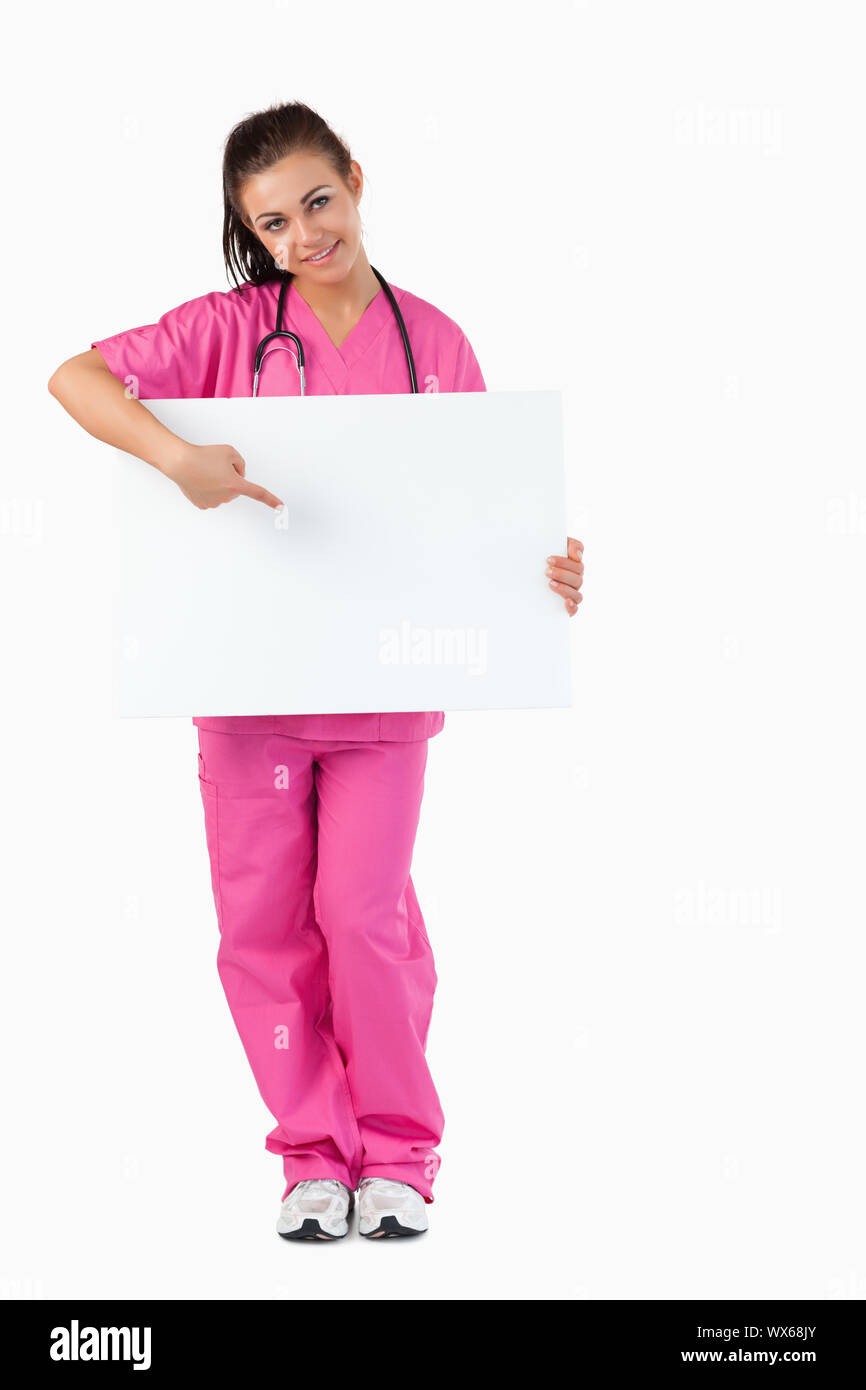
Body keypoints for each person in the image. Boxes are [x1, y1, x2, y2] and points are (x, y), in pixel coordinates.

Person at [48, 100, 585, 1241]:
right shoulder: (225, 328)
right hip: (248, 695)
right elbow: (74, 378)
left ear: (353, 175)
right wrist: (179, 457)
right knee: (261, 930)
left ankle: (396, 1150)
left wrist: (548, 568)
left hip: (384, 694)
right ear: (255, 233)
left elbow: (482, 512)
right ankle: (309, 1156)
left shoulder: (432, 341)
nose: (303, 235)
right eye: (273, 222)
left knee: (363, 914)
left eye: (317, 201)